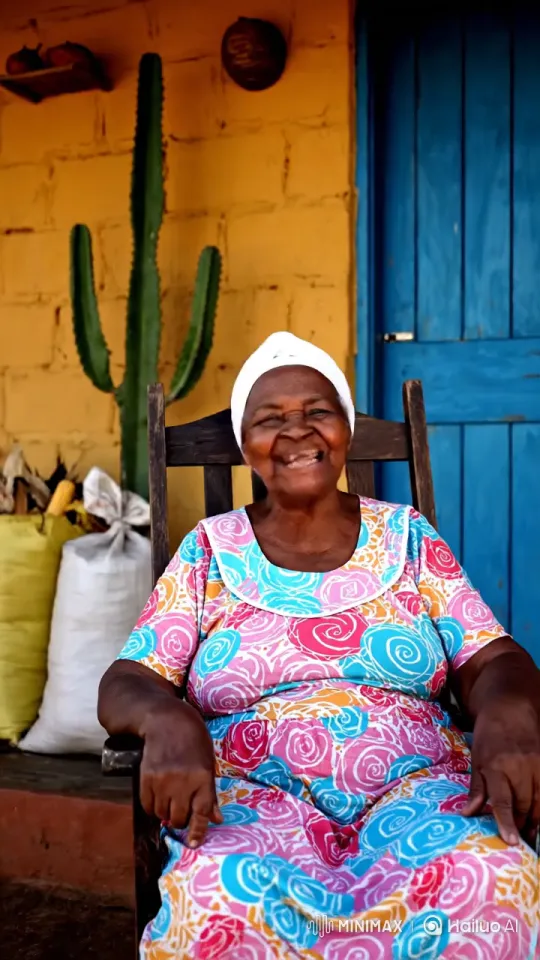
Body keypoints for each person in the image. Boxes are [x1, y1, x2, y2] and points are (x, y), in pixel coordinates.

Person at [98, 332, 540, 960]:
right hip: (250, 800)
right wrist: (165, 716)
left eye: (317, 413)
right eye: (270, 419)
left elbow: (493, 659)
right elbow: (128, 679)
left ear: (346, 430)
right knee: (218, 897)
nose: (297, 432)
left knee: (497, 877)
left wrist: (510, 713)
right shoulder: (209, 550)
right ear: (246, 443)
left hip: (420, 791)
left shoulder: (408, 537)